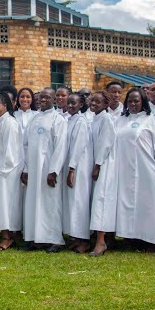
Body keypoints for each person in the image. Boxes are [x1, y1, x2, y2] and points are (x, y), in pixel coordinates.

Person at [114, 88, 155, 248]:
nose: (133, 104)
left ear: (143, 102)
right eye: (130, 101)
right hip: (124, 167)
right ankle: (129, 237)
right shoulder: (121, 120)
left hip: (146, 168)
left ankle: (149, 240)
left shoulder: (151, 119)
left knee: (147, 204)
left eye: (136, 100)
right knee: (126, 202)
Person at [21, 89, 69, 251]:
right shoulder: (34, 118)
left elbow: (61, 146)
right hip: (33, 169)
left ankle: (54, 240)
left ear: (54, 99)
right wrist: (26, 168)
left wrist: (54, 170)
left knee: (50, 203)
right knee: (33, 203)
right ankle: (35, 238)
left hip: (49, 169)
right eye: (41, 97)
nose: (44, 100)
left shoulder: (58, 119)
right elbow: (25, 145)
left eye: (47, 97)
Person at [0, 94, 24, 251]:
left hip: (7, 171)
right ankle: (6, 234)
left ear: (6, 106)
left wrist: (3, 170)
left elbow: (11, 150)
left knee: (6, 204)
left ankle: (7, 237)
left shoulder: (9, 123)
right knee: (0, 204)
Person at [62, 91, 94, 253]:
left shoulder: (82, 121)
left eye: (73, 103)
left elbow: (78, 146)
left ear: (81, 105)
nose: (70, 106)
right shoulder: (69, 120)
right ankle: (75, 237)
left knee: (79, 202)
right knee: (72, 202)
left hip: (78, 167)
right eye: (68, 103)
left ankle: (84, 239)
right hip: (70, 165)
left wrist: (72, 169)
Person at [86, 91, 117, 256]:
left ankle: (101, 241)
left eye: (98, 102)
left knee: (101, 201)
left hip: (104, 165)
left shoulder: (107, 119)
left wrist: (98, 165)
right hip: (95, 164)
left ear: (106, 104)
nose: (94, 104)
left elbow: (105, 144)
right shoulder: (94, 118)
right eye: (92, 101)